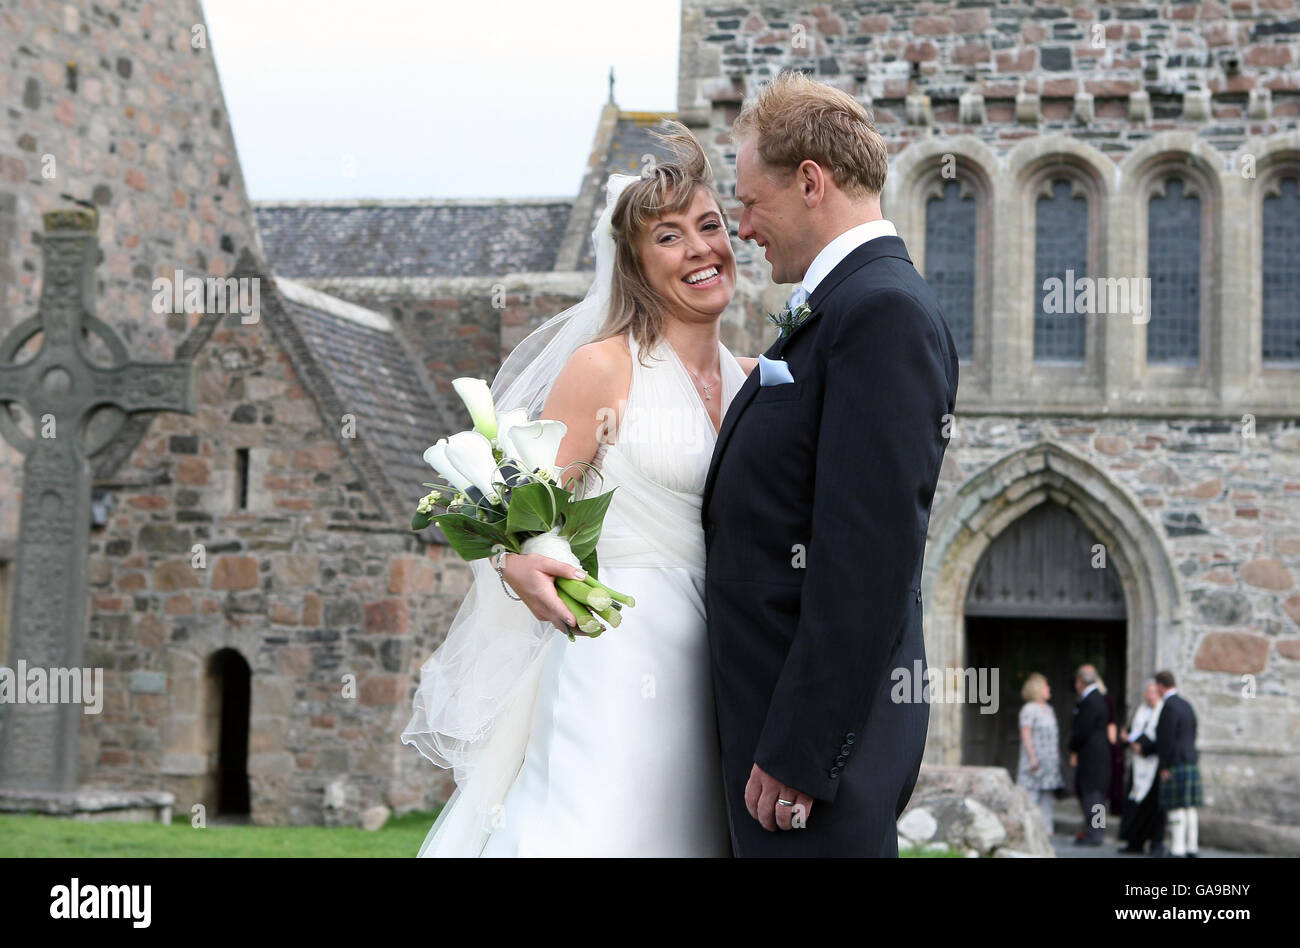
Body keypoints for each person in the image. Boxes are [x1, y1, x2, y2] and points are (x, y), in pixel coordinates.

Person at [402, 123, 756, 855]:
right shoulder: (606, 368)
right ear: (632, 262)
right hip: (615, 652)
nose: (700, 249)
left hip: (722, 664)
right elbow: (523, 519)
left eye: (710, 226)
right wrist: (519, 562)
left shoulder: (754, 379)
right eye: (669, 236)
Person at [702, 70, 959, 855]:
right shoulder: (842, 305)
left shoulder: (879, 312)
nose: (742, 228)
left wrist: (801, 754)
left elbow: (868, 558)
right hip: (776, 748)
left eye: (749, 202)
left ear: (811, 182)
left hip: (807, 774)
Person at [1152, 669, 1202, 857]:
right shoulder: (1186, 705)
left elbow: (1166, 739)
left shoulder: (1169, 707)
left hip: (1175, 761)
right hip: (1190, 758)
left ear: (1160, 686)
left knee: (1176, 806)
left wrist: (1164, 766)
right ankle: (1192, 846)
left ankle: (1178, 848)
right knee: (1190, 806)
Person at [1119, 679, 1165, 854]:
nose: (1149, 696)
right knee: (1133, 801)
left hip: (1153, 763)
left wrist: (1145, 747)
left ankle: (1154, 841)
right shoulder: (1140, 711)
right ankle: (1134, 841)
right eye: (1147, 692)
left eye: (1153, 692)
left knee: (1152, 806)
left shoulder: (1163, 711)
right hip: (1138, 764)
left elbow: (1162, 739)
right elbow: (1134, 730)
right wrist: (1127, 737)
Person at [1068, 664, 1111, 846]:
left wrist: (1072, 747)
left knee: (1093, 795)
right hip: (1096, 754)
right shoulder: (1097, 698)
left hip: (1092, 754)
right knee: (1095, 796)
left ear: (1081, 681)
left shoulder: (1091, 700)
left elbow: (1083, 729)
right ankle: (1094, 832)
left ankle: (1095, 833)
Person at [1016, 673, 1063, 836]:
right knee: (1030, 798)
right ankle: (1028, 832)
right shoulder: (1029, 709)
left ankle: (1045, 831)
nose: (1049, 689)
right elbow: (1026, 734)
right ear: (1037, 689)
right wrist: (1032, 758)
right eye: (1046, 686)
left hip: (1049, 761)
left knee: (1047, 798)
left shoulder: (1049, 709)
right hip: (1034, 761)